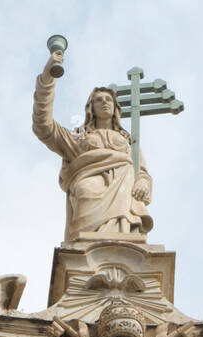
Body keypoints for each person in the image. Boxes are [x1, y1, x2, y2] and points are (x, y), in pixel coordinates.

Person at [32, 54, 153, 243]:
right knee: (85, 190)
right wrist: (48, 79)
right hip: (88, 189)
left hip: (124, 190)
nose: (104, 102)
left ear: (115, 107)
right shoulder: (78, 139)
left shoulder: (128, 141)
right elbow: (43, 126)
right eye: (99, 100)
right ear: (91, 108)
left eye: (109, 99)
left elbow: (142, 171)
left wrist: (143, 183)